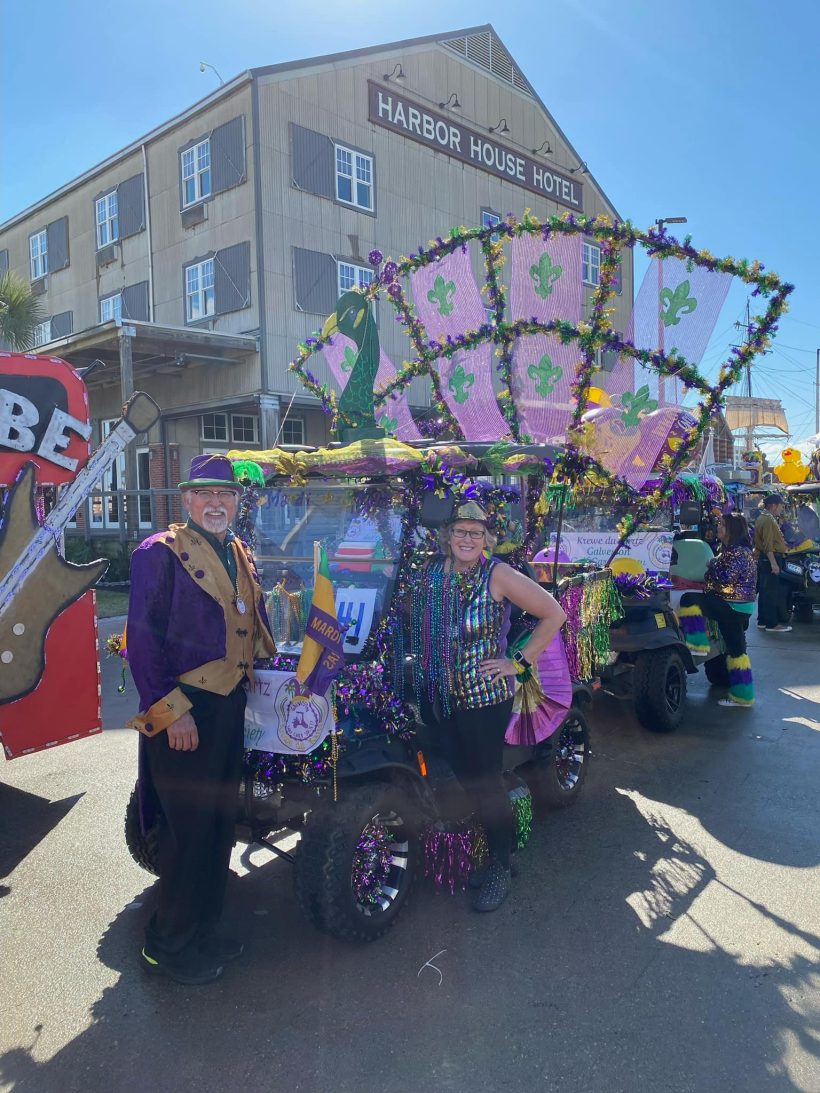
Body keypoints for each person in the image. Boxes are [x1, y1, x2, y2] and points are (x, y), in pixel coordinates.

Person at [127, 455, 276, 984]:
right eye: (205, 494)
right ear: (186, 499)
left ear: (236, 501)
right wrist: (171, 713)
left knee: (216, 827)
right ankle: (168, 945)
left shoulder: (236, 550)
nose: (217, 503)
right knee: (187, 832)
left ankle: (204, 930)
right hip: (185, 711)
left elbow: (247, 621)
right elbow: (142, 644)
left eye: (226, 494)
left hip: (227, 706)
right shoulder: (158, 555)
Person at [410, 500, 566, 912]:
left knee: (484, 781)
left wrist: (517, 662)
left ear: (486, 540)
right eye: (460, 532)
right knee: (463, 779)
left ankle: (500, 864)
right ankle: (499, 848)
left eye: (475, 534)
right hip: (439, 697)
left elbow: (554, 614)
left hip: (482, 699)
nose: (466, 539)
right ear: (447, 536)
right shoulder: (431, 572)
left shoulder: (498, 575)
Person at [678, 512, 757, 707]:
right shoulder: (735, 550)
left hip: (732, 605)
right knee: (737, 651)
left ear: (732, 529)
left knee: (689, 599)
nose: (718, 528)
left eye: (722, 524)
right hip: (737, 606)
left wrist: (712, 564)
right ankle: (743, 696)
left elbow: (725, 577)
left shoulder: (736, 552)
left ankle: (697, 643)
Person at [754, 493, 791, 632]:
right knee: (771, 592)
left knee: (764, 592)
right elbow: (768, 544)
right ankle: (772, 624)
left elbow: (758, 543)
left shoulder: (761, 518)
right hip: (772, 558)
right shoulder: (768, 520)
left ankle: (763, 620)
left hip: (765, 558)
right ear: (774, 506)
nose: (782, 508)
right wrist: (774, 563)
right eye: (781, 505)